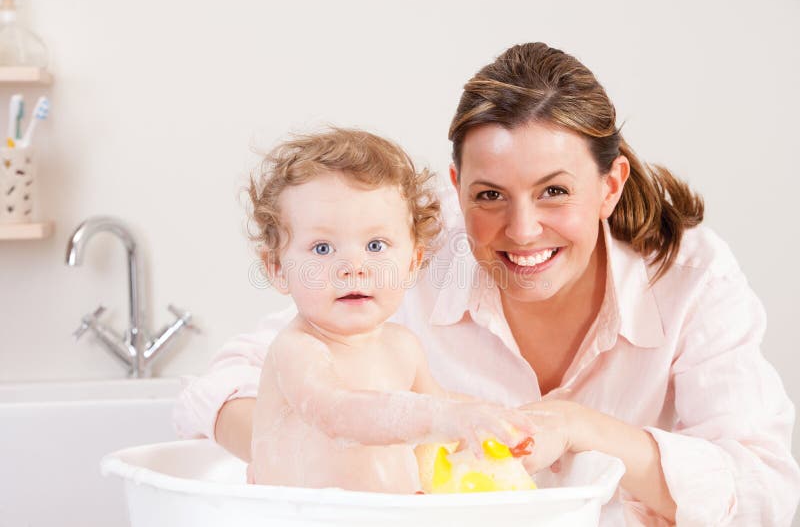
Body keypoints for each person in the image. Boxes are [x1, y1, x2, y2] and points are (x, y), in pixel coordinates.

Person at [175, 42, 800, 525]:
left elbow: (768, 495)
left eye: (554, 191)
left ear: (609, 186)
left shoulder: (687, 275)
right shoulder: (399, 256)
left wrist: (583, 428)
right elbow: (217, 389)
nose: (522, 230)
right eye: (490, 195)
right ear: (455, 188)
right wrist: (315, 448)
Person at [244, 128, 535, 492]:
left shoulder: (402, 347)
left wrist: (497, 420)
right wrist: (444, 416)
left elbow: (440, 405)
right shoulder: (298, 349)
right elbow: (338, 414)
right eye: (322, 248)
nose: (353, 266)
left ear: (413, 262)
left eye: (376, 245)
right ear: (277, 268)